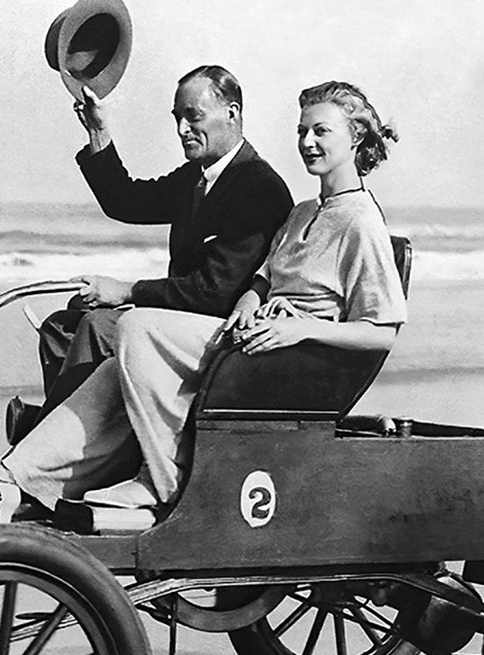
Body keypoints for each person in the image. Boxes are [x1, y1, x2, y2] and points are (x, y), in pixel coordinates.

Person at [0, 80, 406, 521]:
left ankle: (162, 478)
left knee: (134, 327)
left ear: (356, 137)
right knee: (109, 365)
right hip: (251, 341)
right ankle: (8, 481)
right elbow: (262, 279)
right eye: (302, 130)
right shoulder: (306, 210)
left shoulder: (360, 222)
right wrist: (249, 304)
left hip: (289, 362)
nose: (307, 141)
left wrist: (298, 327)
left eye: (321, 131)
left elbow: (382, 331)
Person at [34, 64, 294, 415]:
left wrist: (128, 291)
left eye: (193, 116)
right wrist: (98, 131)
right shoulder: (198, 177)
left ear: (231, 114)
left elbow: (216, 292)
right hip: (181, 318)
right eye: (177, 117)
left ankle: (46, 438)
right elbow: (126, 201)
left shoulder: (259, 187)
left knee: (96, 327)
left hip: (220, 335)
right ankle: (73, 434)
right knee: (62, 328)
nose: (181, 129)